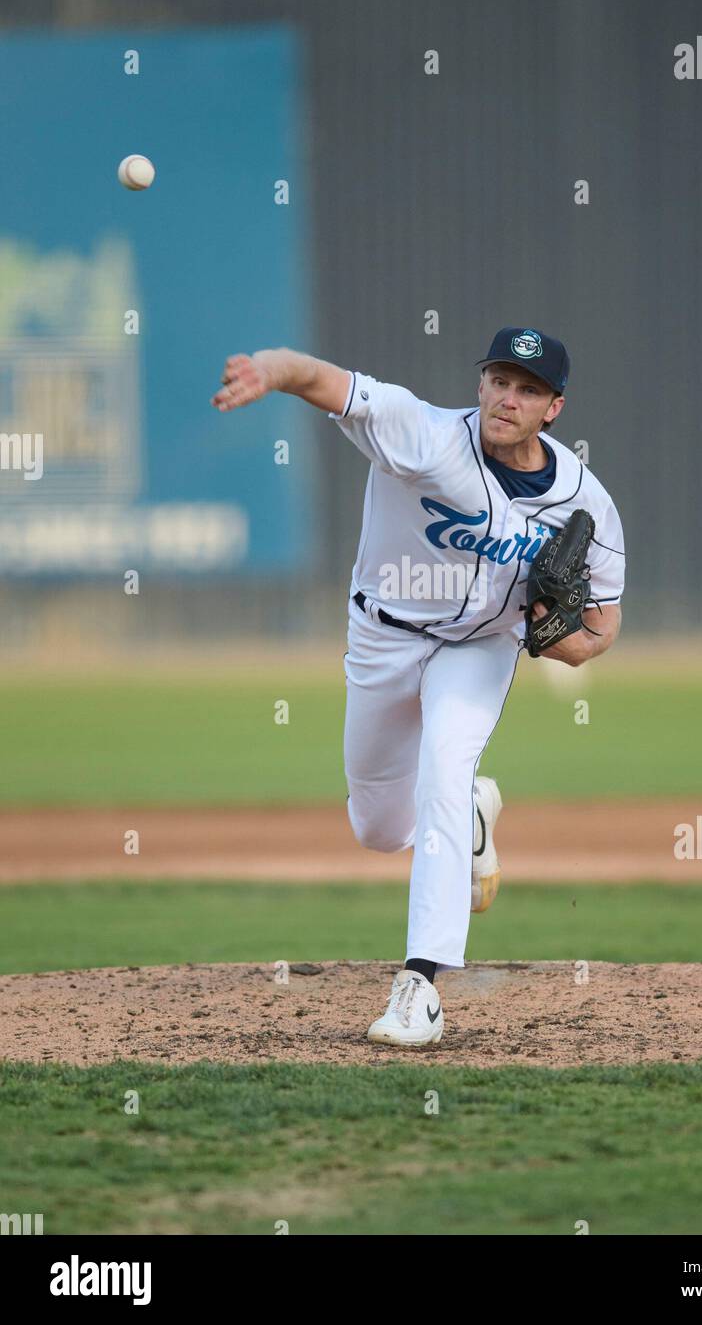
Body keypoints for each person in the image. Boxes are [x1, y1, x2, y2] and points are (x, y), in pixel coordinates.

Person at [213, 326, 625, 1048]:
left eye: (528, 389)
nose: (508, 397)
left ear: (554, 408)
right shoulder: (424, 433)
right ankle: (470, 813)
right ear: (480, 385)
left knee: (441, 770)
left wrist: (561, 642)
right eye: (500, 379)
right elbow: (325, 381)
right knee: (376, 828)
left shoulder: (583, 499)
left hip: (478, 650)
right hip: (383, 636)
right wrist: (271, 369)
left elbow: (603, 625)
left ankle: (420, 988)